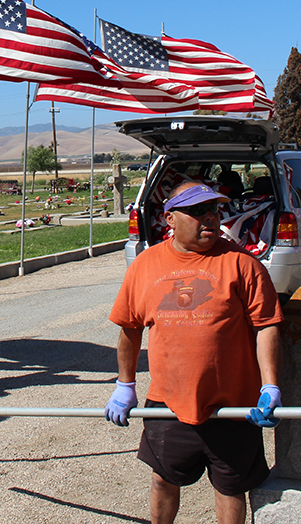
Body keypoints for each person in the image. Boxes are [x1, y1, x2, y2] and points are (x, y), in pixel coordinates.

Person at [106, 182, 283, 524]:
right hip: (169, 401)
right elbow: (130, 328)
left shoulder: (242, 264)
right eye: (198, 211)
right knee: (163, 478)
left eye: (215, 210)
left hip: (233, 404)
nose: (211, 218)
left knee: (230, 488)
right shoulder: (146, 265)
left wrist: (270, 385)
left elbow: (267, 326)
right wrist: (125, 385)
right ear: (170, 218)